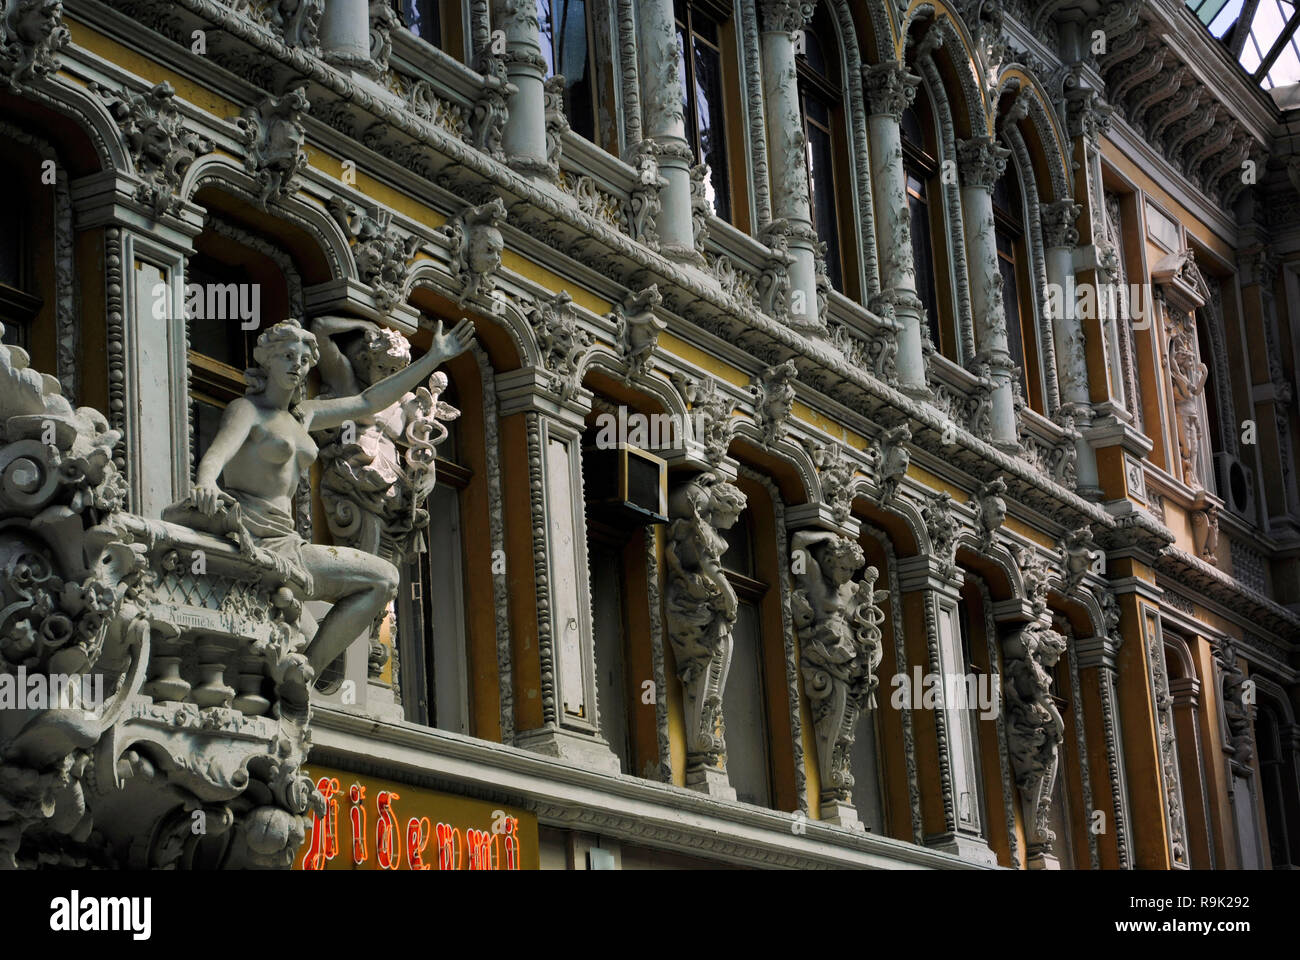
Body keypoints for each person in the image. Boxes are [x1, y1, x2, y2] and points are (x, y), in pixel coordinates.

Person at [189, 316, 475, 701]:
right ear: (267, 361)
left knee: (384, 579)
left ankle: (303, 674)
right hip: (253, 535)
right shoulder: (246, 410)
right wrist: (206, 483)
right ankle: (298, 677)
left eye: (305, 361)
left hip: (288, 543)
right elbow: (215, 457)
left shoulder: (303, 414)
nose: (297, 366)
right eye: (288, 356)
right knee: (378, 580)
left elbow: (369, 401)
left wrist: (433, 358)